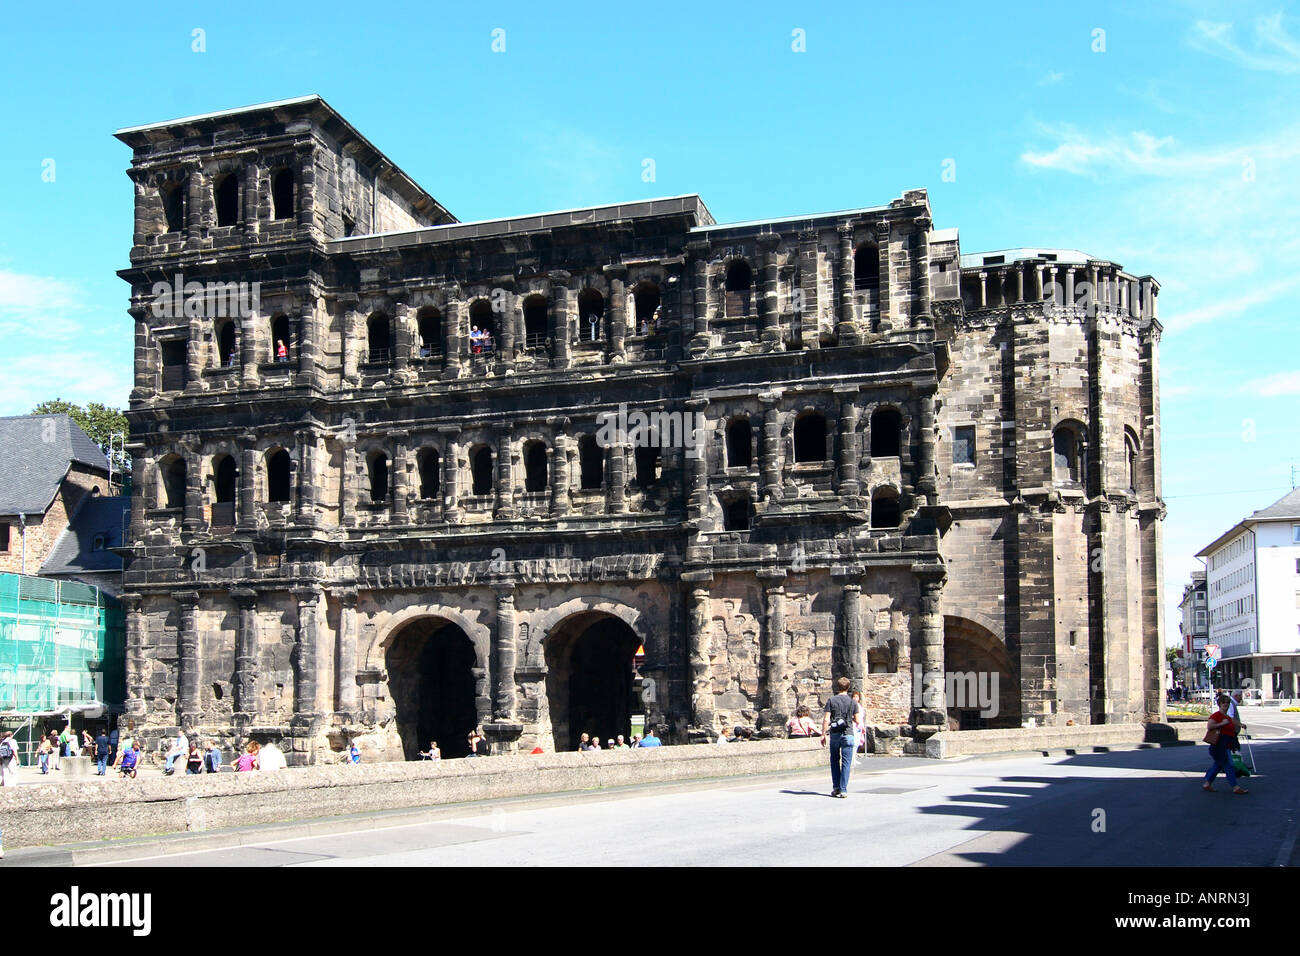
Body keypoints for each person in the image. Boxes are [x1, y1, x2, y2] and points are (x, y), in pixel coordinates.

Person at [1203, 694, 1247, 794]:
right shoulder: (1217, 715)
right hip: (1218, 745)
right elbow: (1210, 726)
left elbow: (1232, 721)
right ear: (1219, 704)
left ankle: (1207, 783)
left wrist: (1241, 725)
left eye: (1227, 702)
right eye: (1223, 703)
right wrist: (1222, 723)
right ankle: (1235, 787)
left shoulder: (1226, 716)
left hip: (1225, 745)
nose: (1226, 704)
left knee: (1218, 765)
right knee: (1229, 766)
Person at [821, 677, 856, 798]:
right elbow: (856, 719)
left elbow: (826, 719)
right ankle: (843, 790)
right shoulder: (853, 702)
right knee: (846, 763)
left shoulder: (831, 700)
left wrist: (823, 734)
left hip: (835, 733)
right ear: (848, 687)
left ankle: (836, 787)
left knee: (834, 760)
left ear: (838, 687)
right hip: (848, 733)